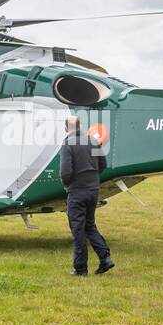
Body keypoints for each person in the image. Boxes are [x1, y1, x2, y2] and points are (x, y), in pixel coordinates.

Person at [60, 116, 113, 276]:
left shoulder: (67, 144)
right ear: (80, 126)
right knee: (89, 225)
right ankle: (105, 258)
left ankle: (80, 268)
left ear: (65, 129)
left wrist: (68, 184)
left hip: (77, 191)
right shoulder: (93, 140)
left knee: (78, 229)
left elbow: (65, 172)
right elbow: (103, 164)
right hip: (93, 190)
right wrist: (92, 178)